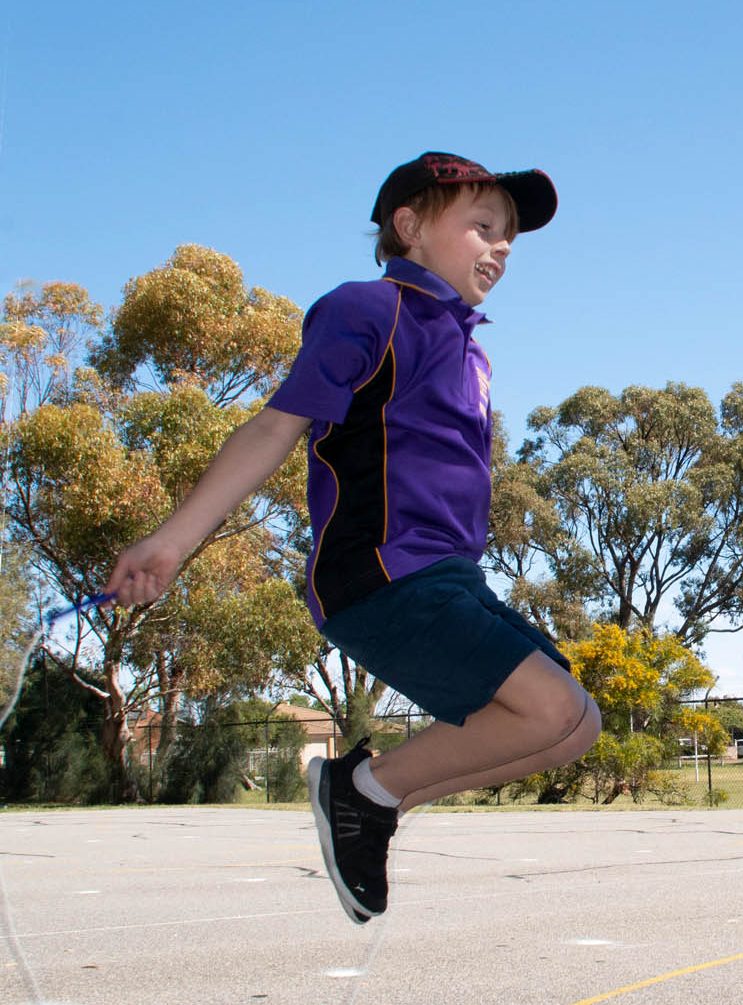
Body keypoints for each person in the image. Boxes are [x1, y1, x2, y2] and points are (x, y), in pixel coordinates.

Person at [105, 152, 601, 924]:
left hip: (450, 577)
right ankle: (362, 792)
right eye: (481, 226)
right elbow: (275, 425)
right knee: (546, 705)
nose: (500, 246)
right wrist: (172, 541)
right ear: (407, 226)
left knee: (577, 724)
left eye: (509, 235)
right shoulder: (368, 309)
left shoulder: (471, 347)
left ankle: (370, 799)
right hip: (379, 574)